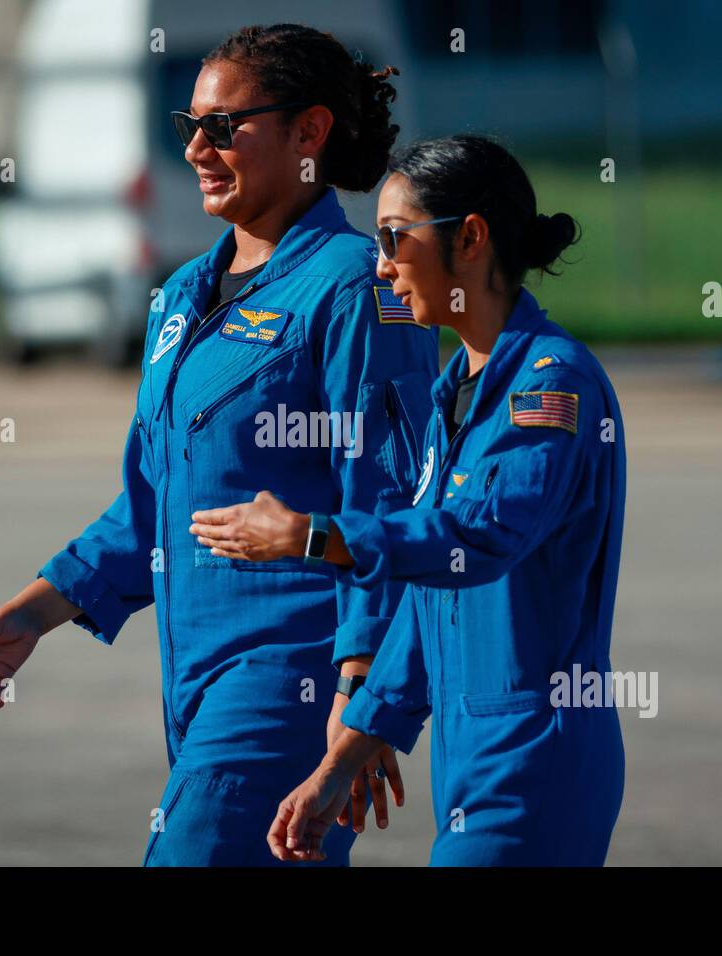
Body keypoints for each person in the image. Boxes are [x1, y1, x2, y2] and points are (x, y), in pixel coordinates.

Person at [0, 24, 438, 866]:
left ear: (309, 132)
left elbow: (385, 503)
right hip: (195, 682)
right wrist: (33, 611)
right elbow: (149, 504)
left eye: (226, 127)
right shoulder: (178, 297)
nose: (200, 148)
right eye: (189, 126)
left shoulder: (356, 289)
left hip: (292, 677)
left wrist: (361, 696)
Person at [190, 134, 627, 865]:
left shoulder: (553, 384)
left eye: (395, 238)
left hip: (535, 764)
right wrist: (341, 763)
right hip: (472, 760)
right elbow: (425, 608)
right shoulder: (452, 390)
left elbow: (479, 540)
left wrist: (309, 536)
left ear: (472, 238)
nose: (382, 263)